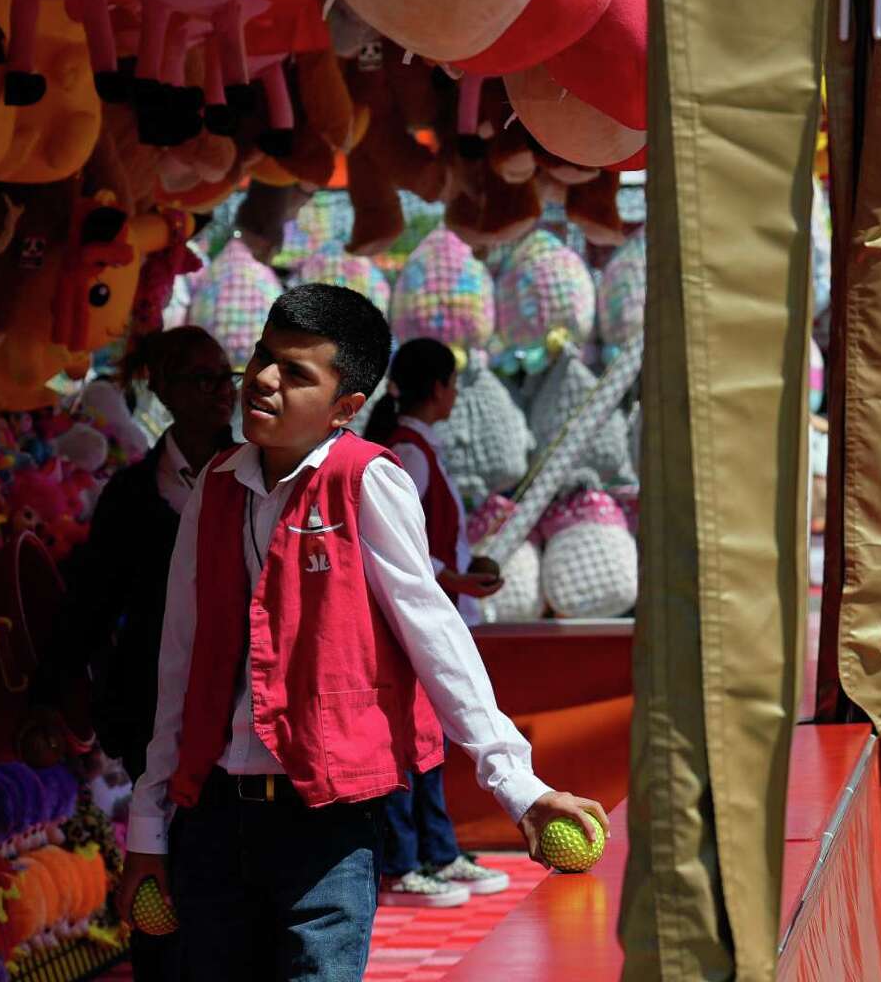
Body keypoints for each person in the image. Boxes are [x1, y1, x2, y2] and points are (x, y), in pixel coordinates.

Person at [116, 285, 604, 980]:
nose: (262, 379)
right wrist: (149, 827)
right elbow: (179, 662)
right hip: (213, 814)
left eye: (296, 372)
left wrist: (516, 783)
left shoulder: (368, 480)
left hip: (327, 823)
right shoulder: (213, 486)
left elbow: (434, 632)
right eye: (262, 356)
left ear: (345, 408)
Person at [30, 327, 237, 982]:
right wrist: (52, 693)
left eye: (225, 376)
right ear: (164, 389)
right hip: (153, 713)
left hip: (245, 711)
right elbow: (89, 604)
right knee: (159, 881)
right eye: (202, 380)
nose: (221, 392)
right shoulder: (132, 494)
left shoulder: (264, 476)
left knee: (233, 880)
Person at [362, 339, 511, 904]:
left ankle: (435, 852)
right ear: (440, 387)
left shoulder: (418, 446)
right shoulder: (410, 453)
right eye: (452, 383)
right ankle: (407, 861)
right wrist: (457, 578)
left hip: (437, 611)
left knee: (431, 740)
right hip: (414, 618)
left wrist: (465, 572)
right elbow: (399, 549)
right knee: (412, 740)